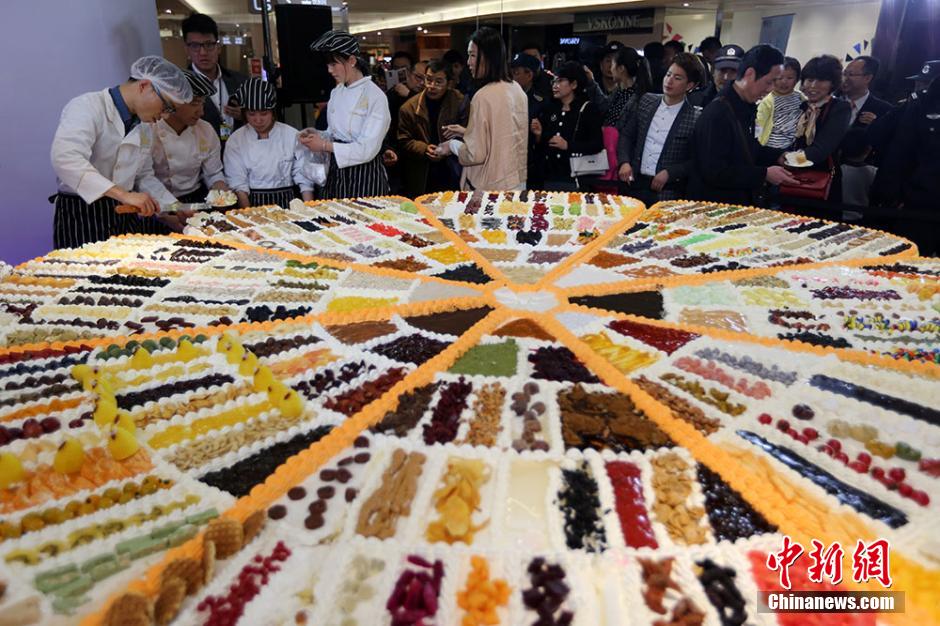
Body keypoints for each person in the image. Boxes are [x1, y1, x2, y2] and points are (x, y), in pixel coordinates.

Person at [50, 56, 192, 249]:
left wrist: (175, 207)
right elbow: (66, 159)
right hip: (82, 214)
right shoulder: (87, 106)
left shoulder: (145, 125)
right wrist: (124, 194)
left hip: (125, 216)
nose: (165, 115)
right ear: (144, 86)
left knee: (129, 267)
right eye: (166, 106)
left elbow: (143, 176)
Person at [687, 44, 797, 205]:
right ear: (750, 74)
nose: (771, 89)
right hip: (713, 207)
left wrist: (778, 156)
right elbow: (715, 172)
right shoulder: (718, 112)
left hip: (735, 202)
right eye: (769, 82)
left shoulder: (745, 105)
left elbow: (748, 149)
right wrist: (764, 174)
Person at [434, 27, 528, 191]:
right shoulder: (516, 89)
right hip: (516, 182)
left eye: (472, 55)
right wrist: (468, 132)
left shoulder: (483, 96)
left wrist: (452, 145)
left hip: (489, 188)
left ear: (487, 57)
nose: (468, 62)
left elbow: (475, 154)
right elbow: (502, 137)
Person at [304, 30, 391, 198]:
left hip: (365, 174)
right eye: (328, 65)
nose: (329, 70)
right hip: (336, 172)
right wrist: (317, 136)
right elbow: (334, 133)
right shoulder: (337, 91)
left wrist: (324, 145)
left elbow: (367, 149)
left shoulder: (375, 96)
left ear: (352, 60)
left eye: (334, 64)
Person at [617, 53, 705, 203]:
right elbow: (627, 135)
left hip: (667, 191)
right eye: (668, 74)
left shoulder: (695, 117)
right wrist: (624, 162)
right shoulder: (646, 101)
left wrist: (670, 172)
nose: (669, 81)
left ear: (690, 85)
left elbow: (696, 159)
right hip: (634, 183)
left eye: (677, 78)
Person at [870, 77, 940, 253]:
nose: (919, 86)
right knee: (911, 258)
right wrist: (893, 195)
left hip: (919, 199)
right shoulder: (919, 104)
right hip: (918, 202)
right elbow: (898, 150)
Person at [224, 78, 316, 208]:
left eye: (264, 113)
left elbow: (304, 175)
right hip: (251, 201)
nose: (258, 120)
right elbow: (237, 181)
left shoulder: (291, 134)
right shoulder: (236, 140)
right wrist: (249, 213)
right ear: (244, 113)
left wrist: (309, 208)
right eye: (251, 114)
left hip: (288, 201)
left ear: (273, 112)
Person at [149, 71, 227, 211]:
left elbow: (213, 173)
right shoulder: (149, 129)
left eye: (202, 104)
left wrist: (220, 189)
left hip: (195, 201)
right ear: (174, 101)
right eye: (194, 104)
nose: (201, 112)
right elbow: (143, 177)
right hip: (156, 202)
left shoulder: (206, 130)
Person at [785, 55, 852, 201]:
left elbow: (821, 150)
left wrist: (787, 160)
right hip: (789, 178)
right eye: (809, 80)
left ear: (832, 84)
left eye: (821, 80)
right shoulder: (799, 105)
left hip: (819, 181)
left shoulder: (840, 108)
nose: (813, 86)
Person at [397, 60, 467, 196]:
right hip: (422, 171)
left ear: (449, 83)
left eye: (439, 82)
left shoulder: (460, 102)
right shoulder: (409, 107)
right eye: (428, 80)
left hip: (453, 167)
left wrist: (449, 147)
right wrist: (424, 148)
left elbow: (469, 134)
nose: (432, 86)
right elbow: (403, 140)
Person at [531, 62, 604, 191]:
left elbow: (597, 144)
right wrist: (539, 135)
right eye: (554, 81)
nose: (555, 85)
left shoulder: (588, 109)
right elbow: (542, 145)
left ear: (574, 84)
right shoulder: (549, 109)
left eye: (560, 81)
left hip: (576, 177)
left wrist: (568, 146)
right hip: (549, 176)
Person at [182, 13, 247, 147]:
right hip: (200, 154)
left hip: (240, 152)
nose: (203, 52)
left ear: (218, 47)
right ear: (187, 50)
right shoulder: (180, 86)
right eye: (195, 46)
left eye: (209, 45)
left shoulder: (241, 81)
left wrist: (246, 115)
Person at [839, 56, 892, 206]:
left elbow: (889, 146)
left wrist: (877, 126)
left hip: (860, 187)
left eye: (851, 74)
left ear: (868, 78)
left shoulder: (884, 110)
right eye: (844, 73)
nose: (845, 78)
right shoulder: (831, 102)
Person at [512, 53, 550, 189]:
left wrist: (539, 136)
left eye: (516, 73)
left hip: (531, 163)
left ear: (529, 75)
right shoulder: (506, 98)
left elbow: (545, 139)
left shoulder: (540, 102)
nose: (512, 77)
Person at [757, 57, 804, 148]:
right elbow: (759, 123)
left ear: (797, 79)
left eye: (789, 78)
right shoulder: (768, 101)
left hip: (793, 145)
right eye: (779, 78)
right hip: (772, 145)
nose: (784, 81)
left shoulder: (800, 97)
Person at [603, 47, 652, 126]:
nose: (611, 69)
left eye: (612, 65)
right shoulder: (619, 92)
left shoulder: (634, 98)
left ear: (621, 68)